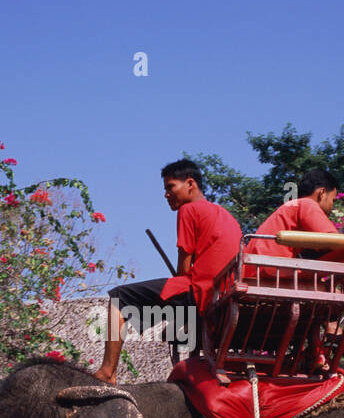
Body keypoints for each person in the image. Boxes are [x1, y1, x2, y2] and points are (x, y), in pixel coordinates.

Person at [95, 159, 241, 384]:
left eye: (170, 187)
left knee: (119, 298)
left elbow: (183, 269)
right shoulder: (225, 215)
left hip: (201, 293)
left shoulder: (189, 209)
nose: (166, 194)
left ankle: (107, 372)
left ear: (190, 184)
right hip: (224, 294)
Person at [245, 168, 344, 353]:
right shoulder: (307, 205)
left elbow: (321, 248)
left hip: (261, 271)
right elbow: (338, 242)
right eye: (333, 199)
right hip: (271, 273)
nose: (332, 207)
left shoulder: (290, 207)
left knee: (324, 266)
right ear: (321, 192)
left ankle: (333, 330)